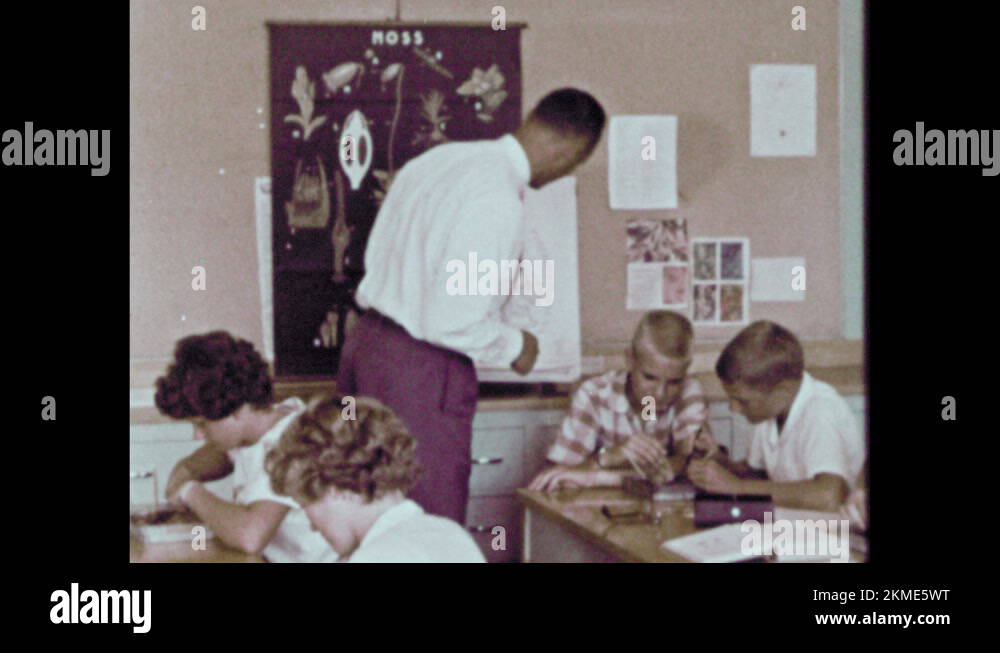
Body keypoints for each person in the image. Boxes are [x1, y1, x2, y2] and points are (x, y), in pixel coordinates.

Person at [338, 88, 606, 522]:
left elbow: (384, 262)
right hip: (419, 371)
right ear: (568, 149)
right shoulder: (496, 199)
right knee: (426, 525)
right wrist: (516, 346)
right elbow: (452, 321)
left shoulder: (434, 162)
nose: (564, 174)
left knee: (359, 513)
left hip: (366, 349)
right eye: (573, 164)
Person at [154, 331, 338, 562]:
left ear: (239, 410)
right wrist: (186, 469)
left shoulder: (291, 443)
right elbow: (223, 453)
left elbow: (250, 537)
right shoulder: (266, 423)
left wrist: (190, 491)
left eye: (202, 424)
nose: (198, 435)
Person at [265, 394, 486, 563]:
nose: (312, 527)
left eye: (306, 505)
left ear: (332, 486)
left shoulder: (375, 556)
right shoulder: (449, 532)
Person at [529, 311, 718, 491]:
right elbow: (557, 477)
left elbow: (685, 465)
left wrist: (594, 477)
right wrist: (610, 457)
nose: (660, 394)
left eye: (674, 382)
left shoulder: (688, 390)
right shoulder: (594, 394)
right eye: (649, 378)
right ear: (630, 360)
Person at [687, 321, 865, 512]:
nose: (734, 408)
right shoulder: (771, 411)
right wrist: (722, 462)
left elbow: (829, 496)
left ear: (782, 391)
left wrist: (737, 487)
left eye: (742, 401)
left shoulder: (821, 410)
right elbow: (761, 478)